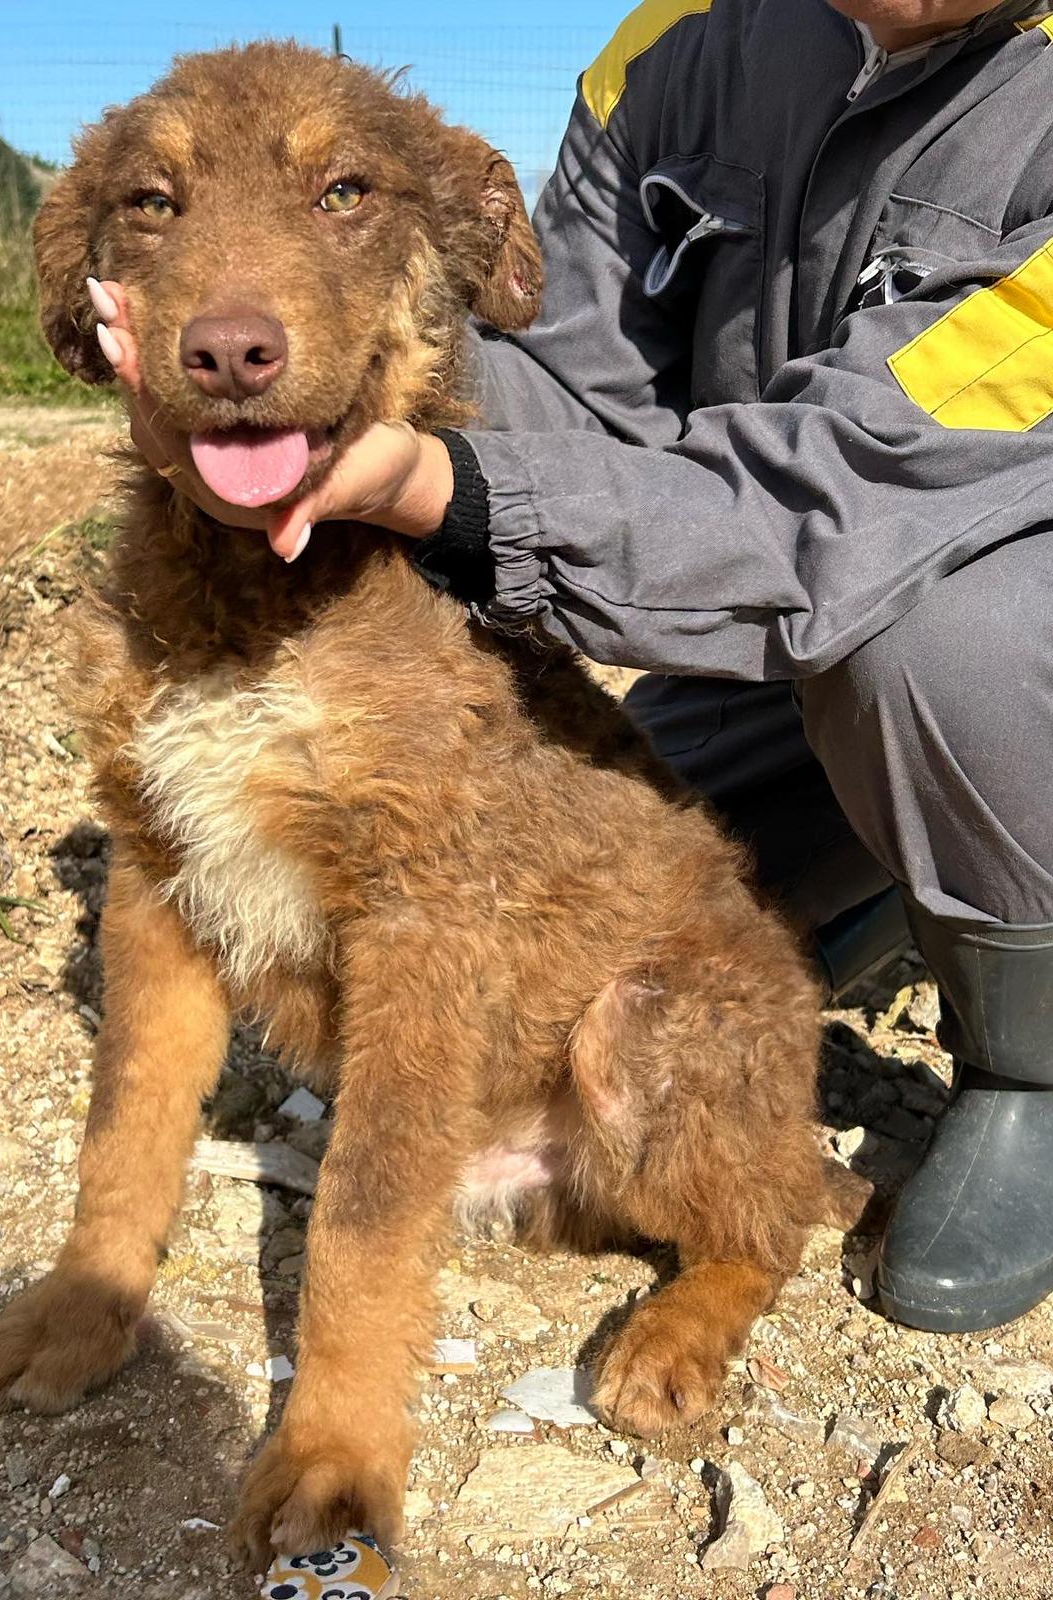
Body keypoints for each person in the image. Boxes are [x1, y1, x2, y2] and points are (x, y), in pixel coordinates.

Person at [90, 0, 1053, 1336]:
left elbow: (847, 503)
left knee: (940, 643)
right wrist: (327, 337)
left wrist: (439, 488)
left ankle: (1032, 1067)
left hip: (971, 599)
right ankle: (887, 854)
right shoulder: (679, 40)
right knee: (633, 918)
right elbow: (566, 380)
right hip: (749, 632)